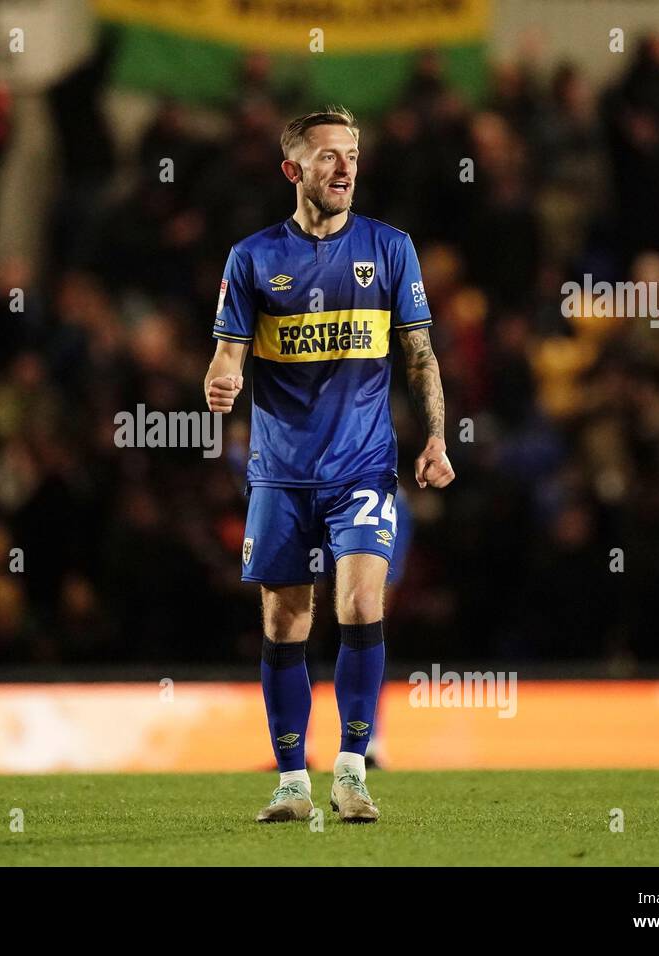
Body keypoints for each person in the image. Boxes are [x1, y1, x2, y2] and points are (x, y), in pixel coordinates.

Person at [204, 108, 455, 823]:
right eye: (327, 157)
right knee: (287, 622)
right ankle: (290, 779)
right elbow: (226, 355)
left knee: (362, 603)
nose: (344, 167)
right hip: (281, 471)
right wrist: (218, 381)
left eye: (351, 154)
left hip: (363, 468)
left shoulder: (391, 248)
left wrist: (434, 438)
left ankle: (350, 768)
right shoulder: (251, 258)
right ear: (293, 171)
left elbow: (419, 356)